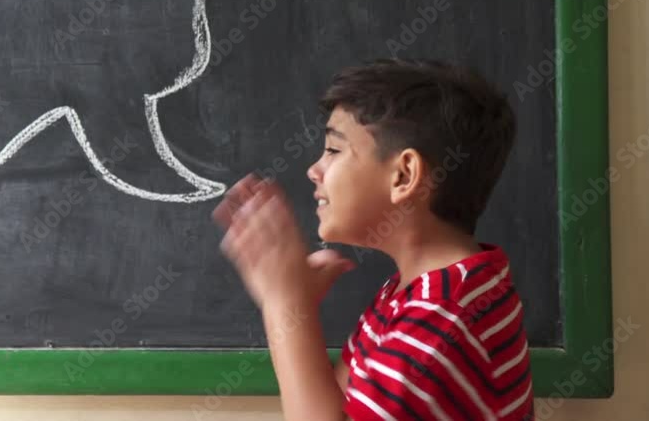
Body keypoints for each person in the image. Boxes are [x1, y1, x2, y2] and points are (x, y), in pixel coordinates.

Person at [213, 58, 533, 420]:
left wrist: (284, 305)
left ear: (404, 176)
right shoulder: (424, 292)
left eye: (333, 150)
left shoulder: (439, 320)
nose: (313, 170)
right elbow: (343, 406)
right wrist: (295, 306)